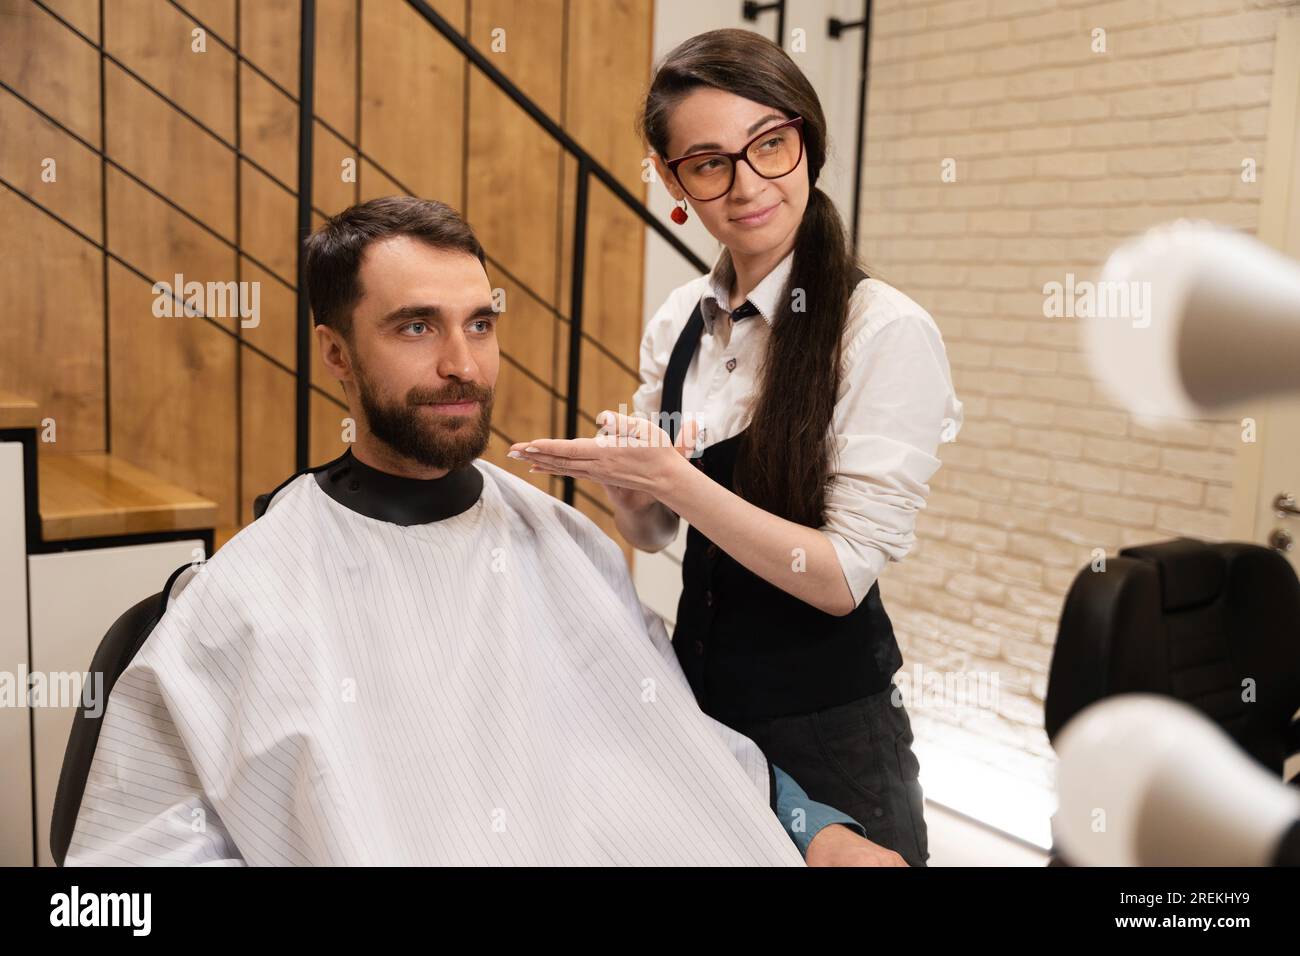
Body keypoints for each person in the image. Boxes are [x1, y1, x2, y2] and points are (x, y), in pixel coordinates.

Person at [63, 196, 904, 867]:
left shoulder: (563, 544)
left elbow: (675, 735)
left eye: (480, 323)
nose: (463, 364)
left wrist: (812, 826)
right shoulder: (242, 598)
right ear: (336, 354)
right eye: (416, 326)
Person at [510, 29, 964, 868]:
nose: (747, 184)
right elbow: (655, 538)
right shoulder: (681, 317)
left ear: (806, 142)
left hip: (832, 736)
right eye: (710, 162)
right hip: (700, 713)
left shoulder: (884, 332)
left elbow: (837, 579)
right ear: (675, 179)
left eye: (769, 146)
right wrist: (631, 482)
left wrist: (673, 483)